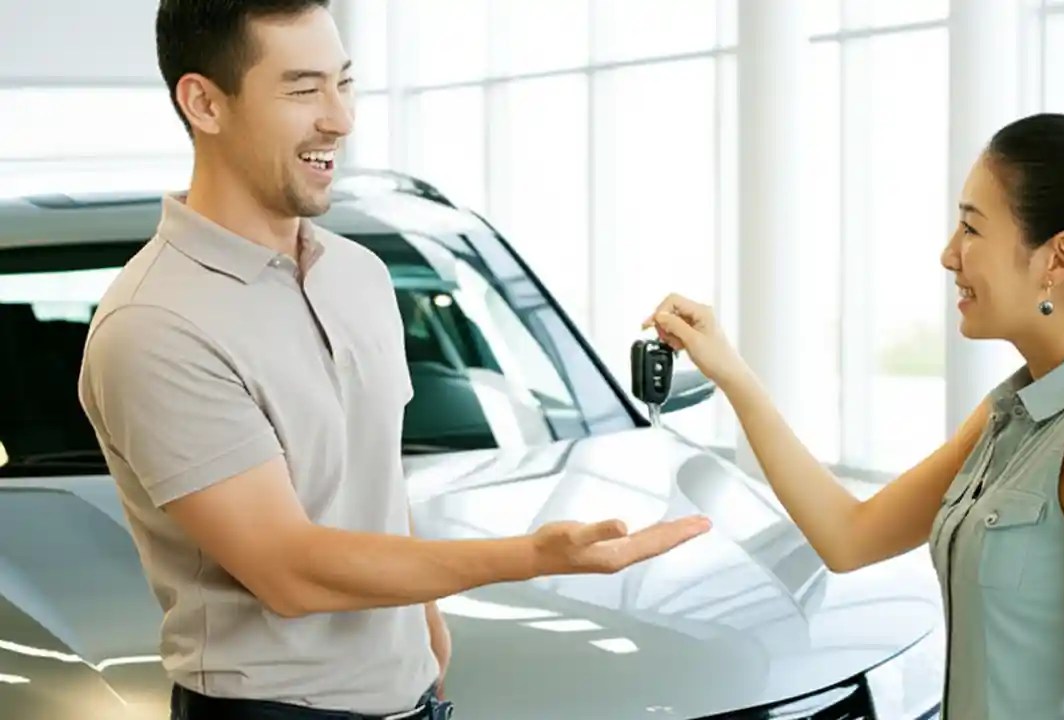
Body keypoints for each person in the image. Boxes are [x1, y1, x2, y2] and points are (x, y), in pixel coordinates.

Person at [77, 2, 711, 719]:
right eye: (302, 88)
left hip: (413, 702)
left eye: (344, 83)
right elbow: (290, 573)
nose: (340, 119)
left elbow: (369, 475)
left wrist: (426, 627)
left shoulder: (359, 274)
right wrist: (532, 556)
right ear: (204, 103)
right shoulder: (155, 325)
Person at [645, 112, 1064, 719]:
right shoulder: (1011, 411)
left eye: (971, 227)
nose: (949, 255)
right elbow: (850, 537)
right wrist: (732, 371)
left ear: (1059, 257)